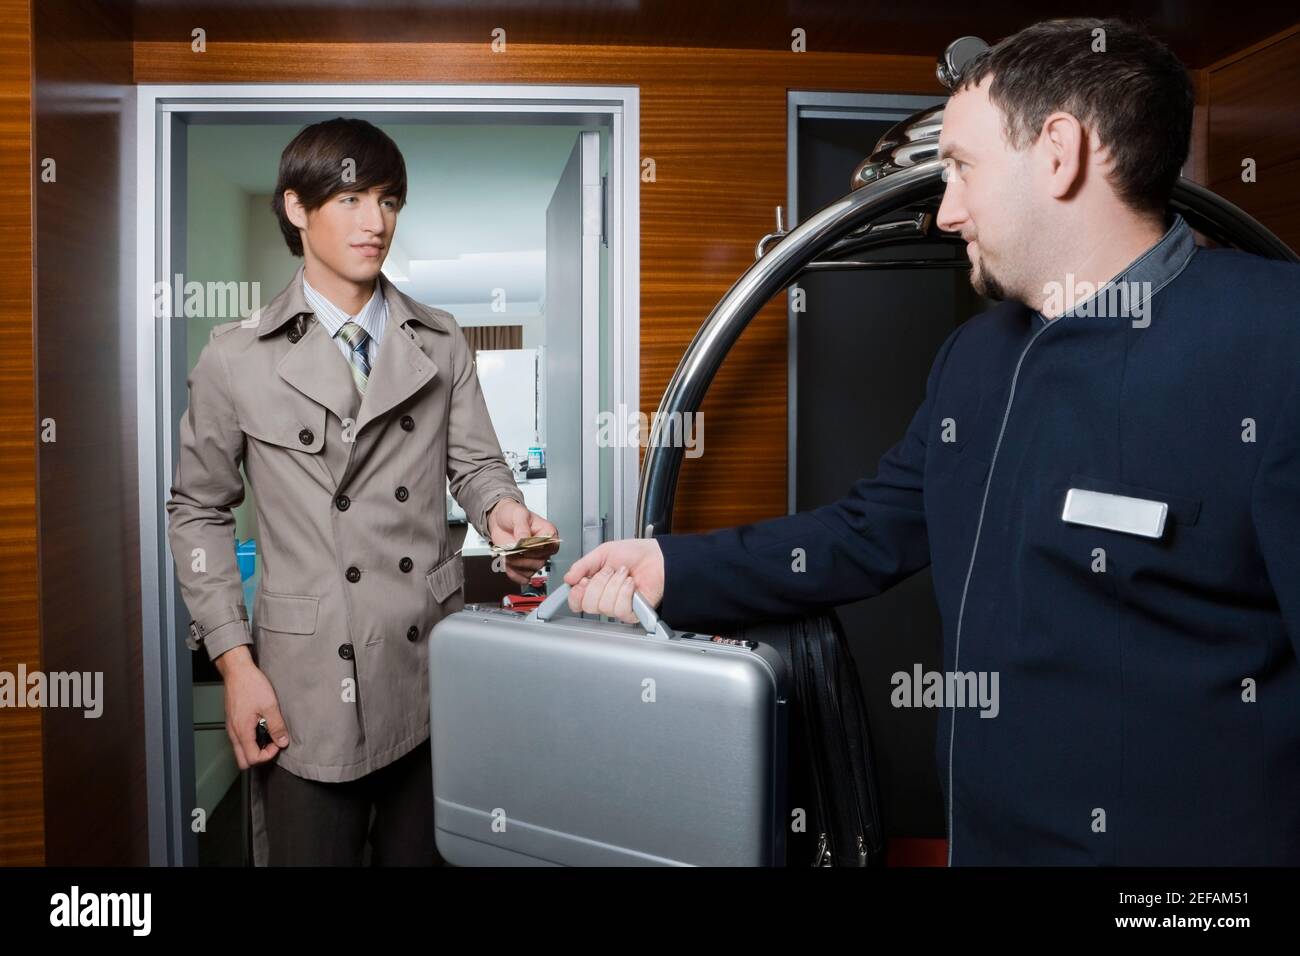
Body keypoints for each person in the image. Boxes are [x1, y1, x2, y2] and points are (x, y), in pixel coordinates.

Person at [566, 18, 1300, 865]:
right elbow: (870, 531)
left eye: (960, 167)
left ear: (1058, 154)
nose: (945, 210)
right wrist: (675, 568)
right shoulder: (976, 359)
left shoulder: (1275, 340)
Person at [167, 117, 556, 865]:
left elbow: (477, 469)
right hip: (303, 689)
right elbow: (198, 511)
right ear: (295, 208)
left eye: (387, 200)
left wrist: (507, 515)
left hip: (427, 678)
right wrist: (234, 664)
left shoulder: (440, 339)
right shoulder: (234, 357)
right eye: (350, 199)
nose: (375, 222)